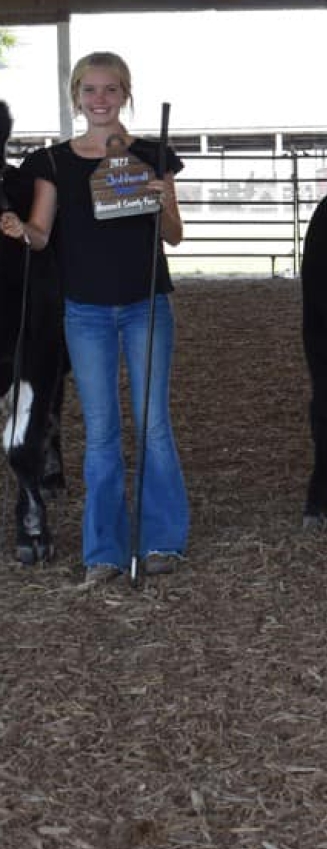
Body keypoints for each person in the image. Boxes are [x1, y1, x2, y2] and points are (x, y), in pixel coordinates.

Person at [0, 51, 189, 585]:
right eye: (89, 90)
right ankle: (103, 551)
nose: (100, 99)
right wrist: (19, 228)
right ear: (76, 96)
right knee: (102, 432)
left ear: (126, 93)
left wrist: (160, 201)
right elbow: (41, 233)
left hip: (146, 304)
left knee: (154, 426)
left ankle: (163, 541)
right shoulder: (53, 163)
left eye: (110, 89)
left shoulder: (154, 156)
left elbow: (175, 235)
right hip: (84, 313)